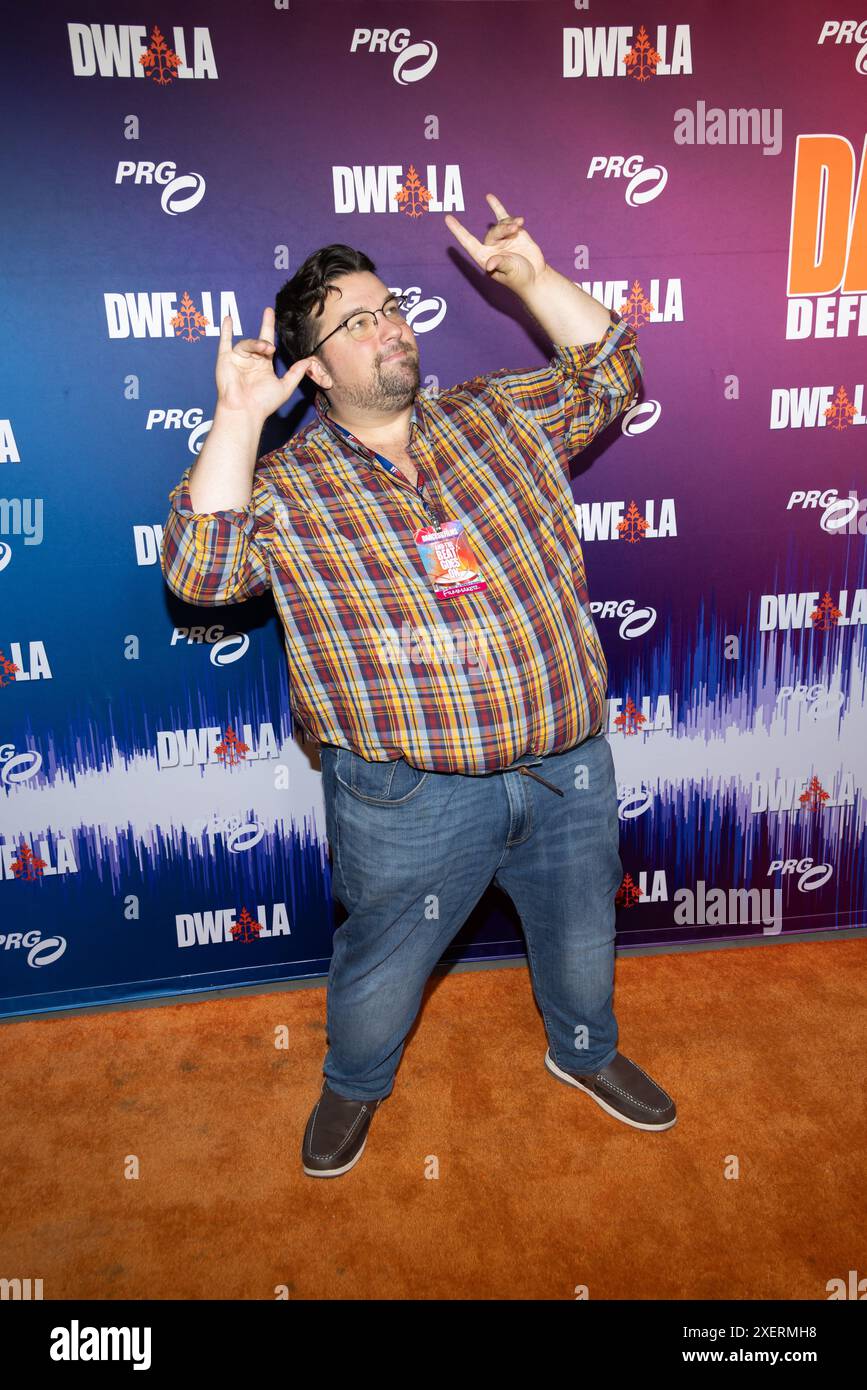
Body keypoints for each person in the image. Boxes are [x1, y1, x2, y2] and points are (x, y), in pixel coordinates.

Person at [160, 193, 676, 1180]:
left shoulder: (495, 413)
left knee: (580, 934)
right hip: (409, 800)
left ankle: (586, 1050)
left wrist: (534, 280)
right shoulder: (287, 486)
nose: (388, 323)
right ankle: (355, 1081)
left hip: (567, 765)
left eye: (389, 305)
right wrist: (235, 420)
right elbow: (202, 572)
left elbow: (613, 373)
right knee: (383, 968)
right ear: (311, 368)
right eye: (355, 320)